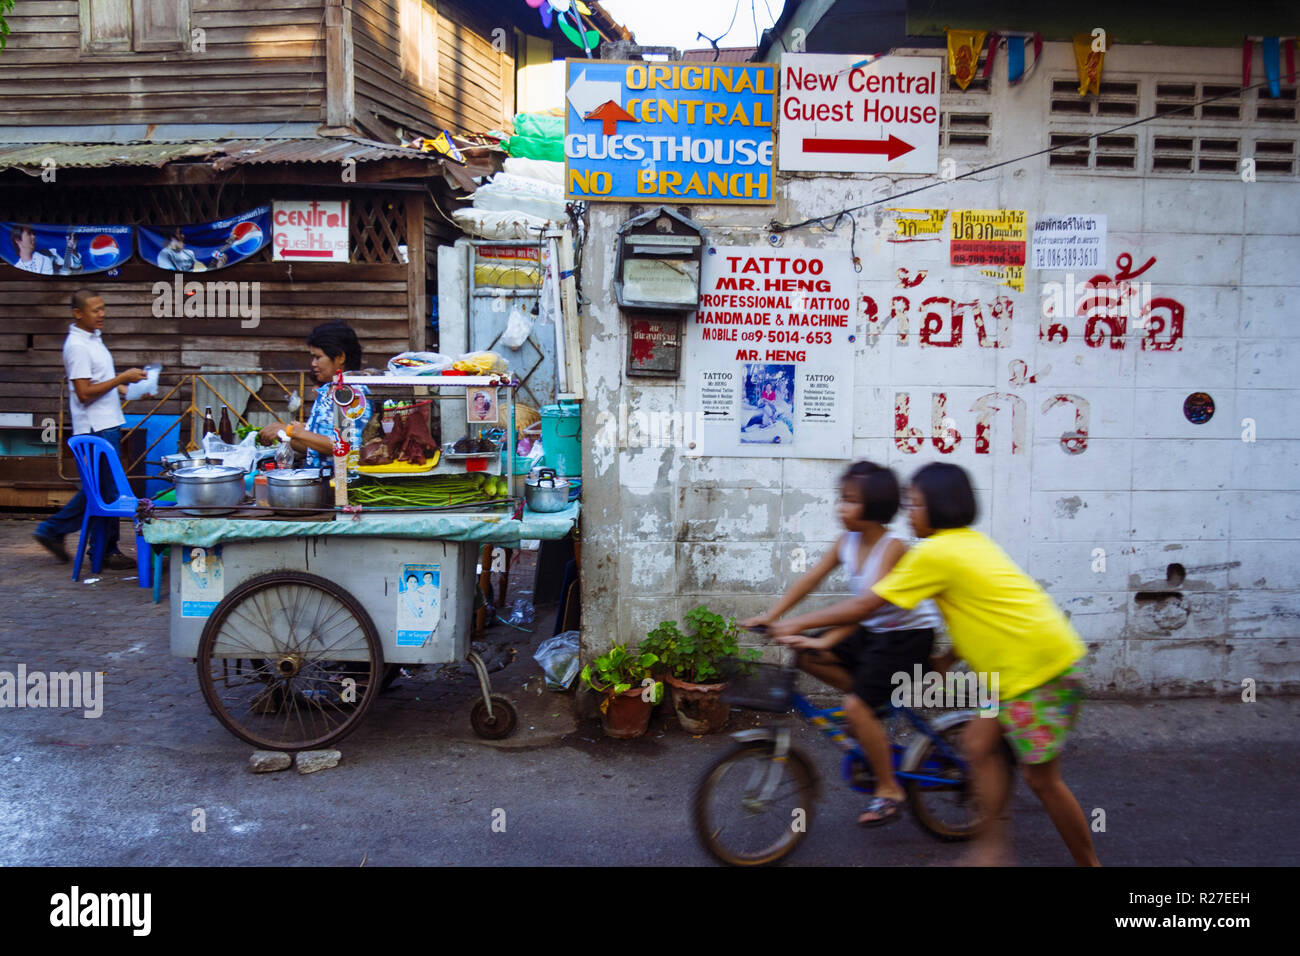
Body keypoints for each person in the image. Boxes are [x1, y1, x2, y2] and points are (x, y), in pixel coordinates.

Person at [768, 462, 1100, 866]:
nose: (908, 512)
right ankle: (991, 851)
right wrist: (946, 658)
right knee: (977, 746)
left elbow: (867, 604)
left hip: (1040, 673)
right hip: (1011, 676)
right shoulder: (968, 543)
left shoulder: (936, 553)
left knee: (1043, 781)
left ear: (939, 507)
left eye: (915, 504)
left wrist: (794, 622)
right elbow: (983, 612)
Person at [743, 461, 941, 826]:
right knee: (805, 653)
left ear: (875, 507)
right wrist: (772, 616)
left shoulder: (892, 547)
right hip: (873, 628)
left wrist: (816, 631)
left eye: (850, 500)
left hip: (906, 635)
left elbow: (866, 608)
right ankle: (871, 706)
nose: (840, 507)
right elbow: (811, 580)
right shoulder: (846, 542)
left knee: (854, 703)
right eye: (841, 498)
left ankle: (888, 790)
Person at [33, 290, 147, 567]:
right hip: (95, 429)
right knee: (106, 492)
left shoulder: (93, 340)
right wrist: (121, 377)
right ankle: (98, 548)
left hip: (107, 423)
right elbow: (84, 392)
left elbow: (101, 382)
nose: (102, 314)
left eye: (103, 308)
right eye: (95, 310)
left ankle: (79, 541)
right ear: (78, 314)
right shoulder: (77, 346)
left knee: (101, 491)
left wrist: (129, 389)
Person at [258, 321, 372, 467]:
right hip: (320, 480)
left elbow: (344, 446)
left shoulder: (351, 393)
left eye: (318, 357)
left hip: (341, 485)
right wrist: (282, 435)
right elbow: (315, 449)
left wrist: (291, 430)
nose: (313, 363)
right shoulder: (328, 390)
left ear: (340, 357)